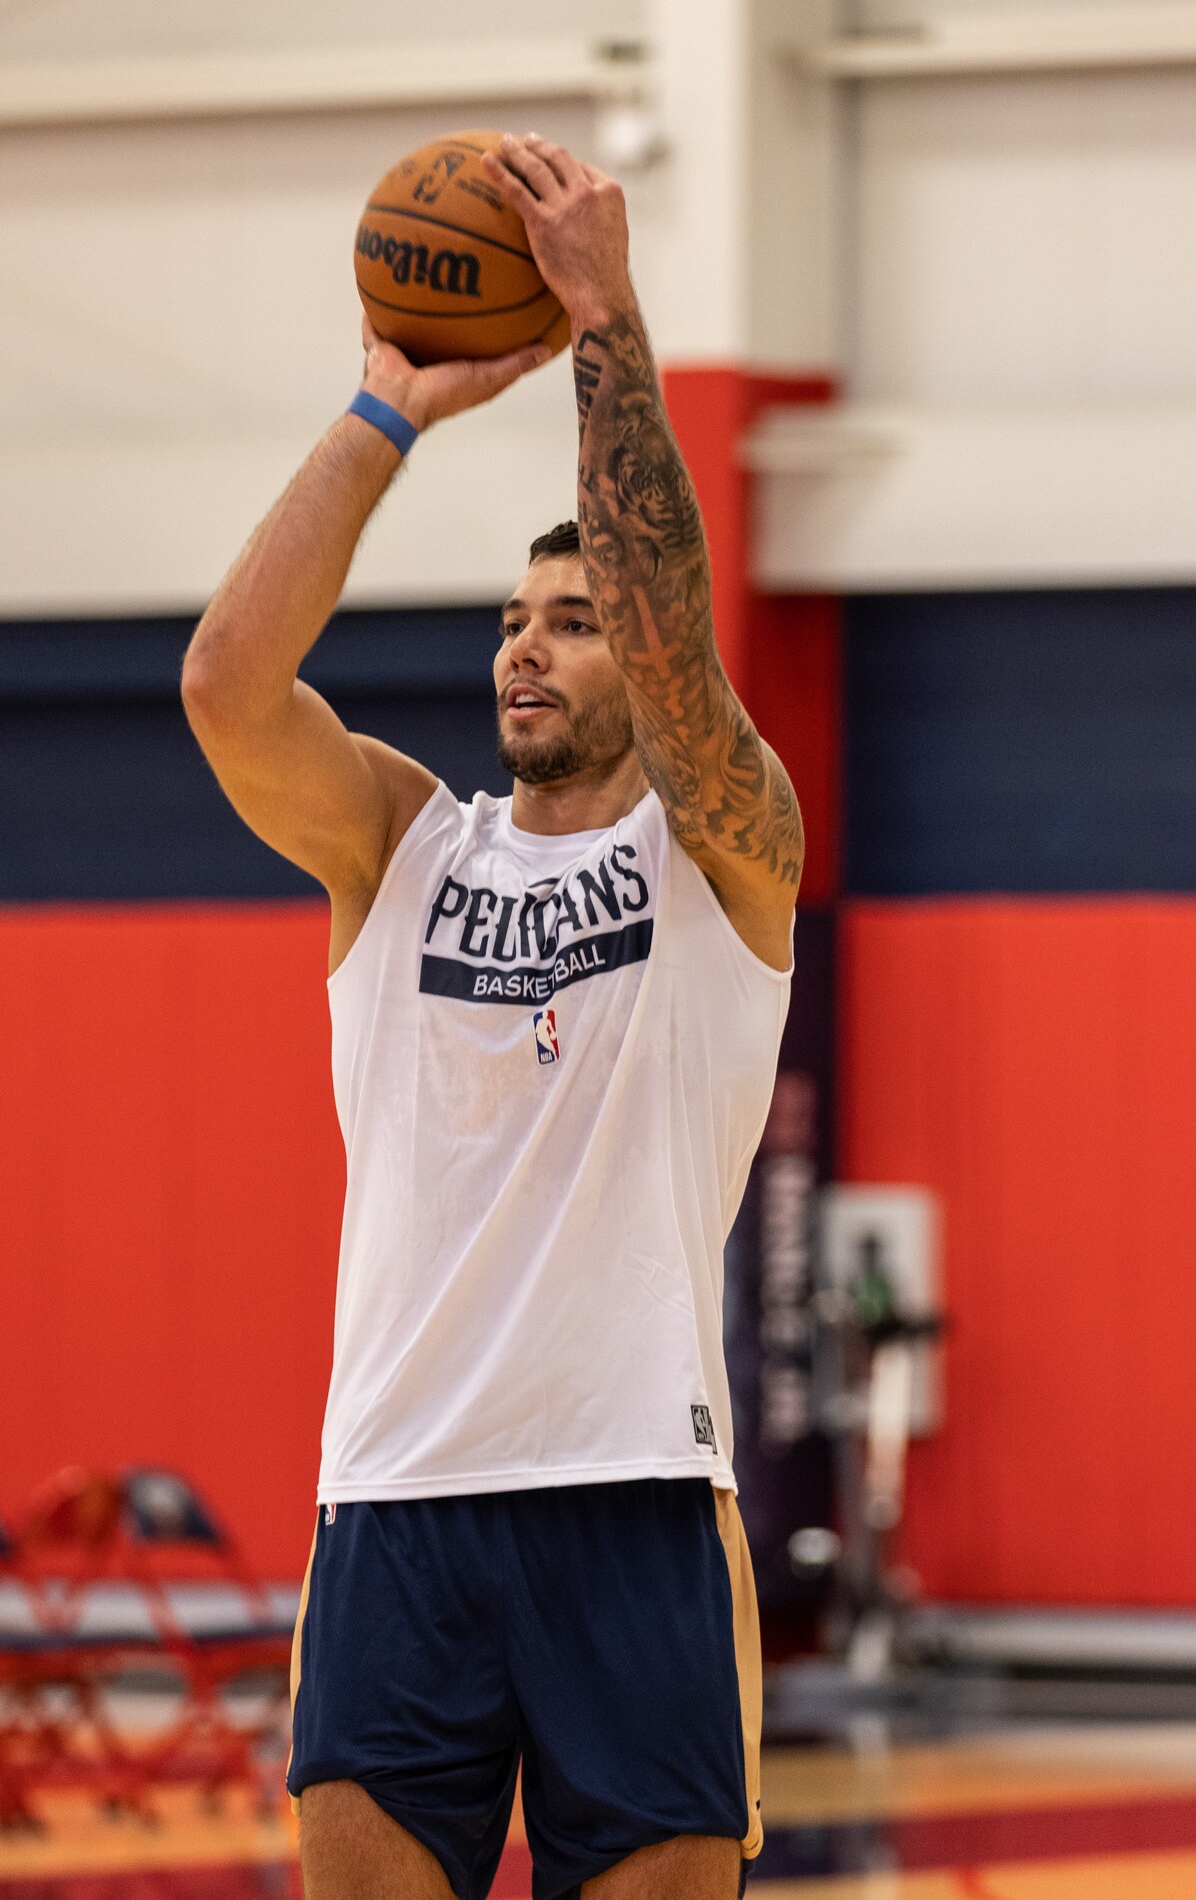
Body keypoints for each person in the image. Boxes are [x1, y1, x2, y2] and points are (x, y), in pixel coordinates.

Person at [182, 132, 803, 1900]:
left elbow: (685, 648)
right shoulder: (399, 846)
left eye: (577, 621)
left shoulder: (723, 855)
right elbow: (227, 685)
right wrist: (388, 404)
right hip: (398, 1497)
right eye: (516, 619)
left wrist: (608, 326)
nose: (530, 646)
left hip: (632, 1493)